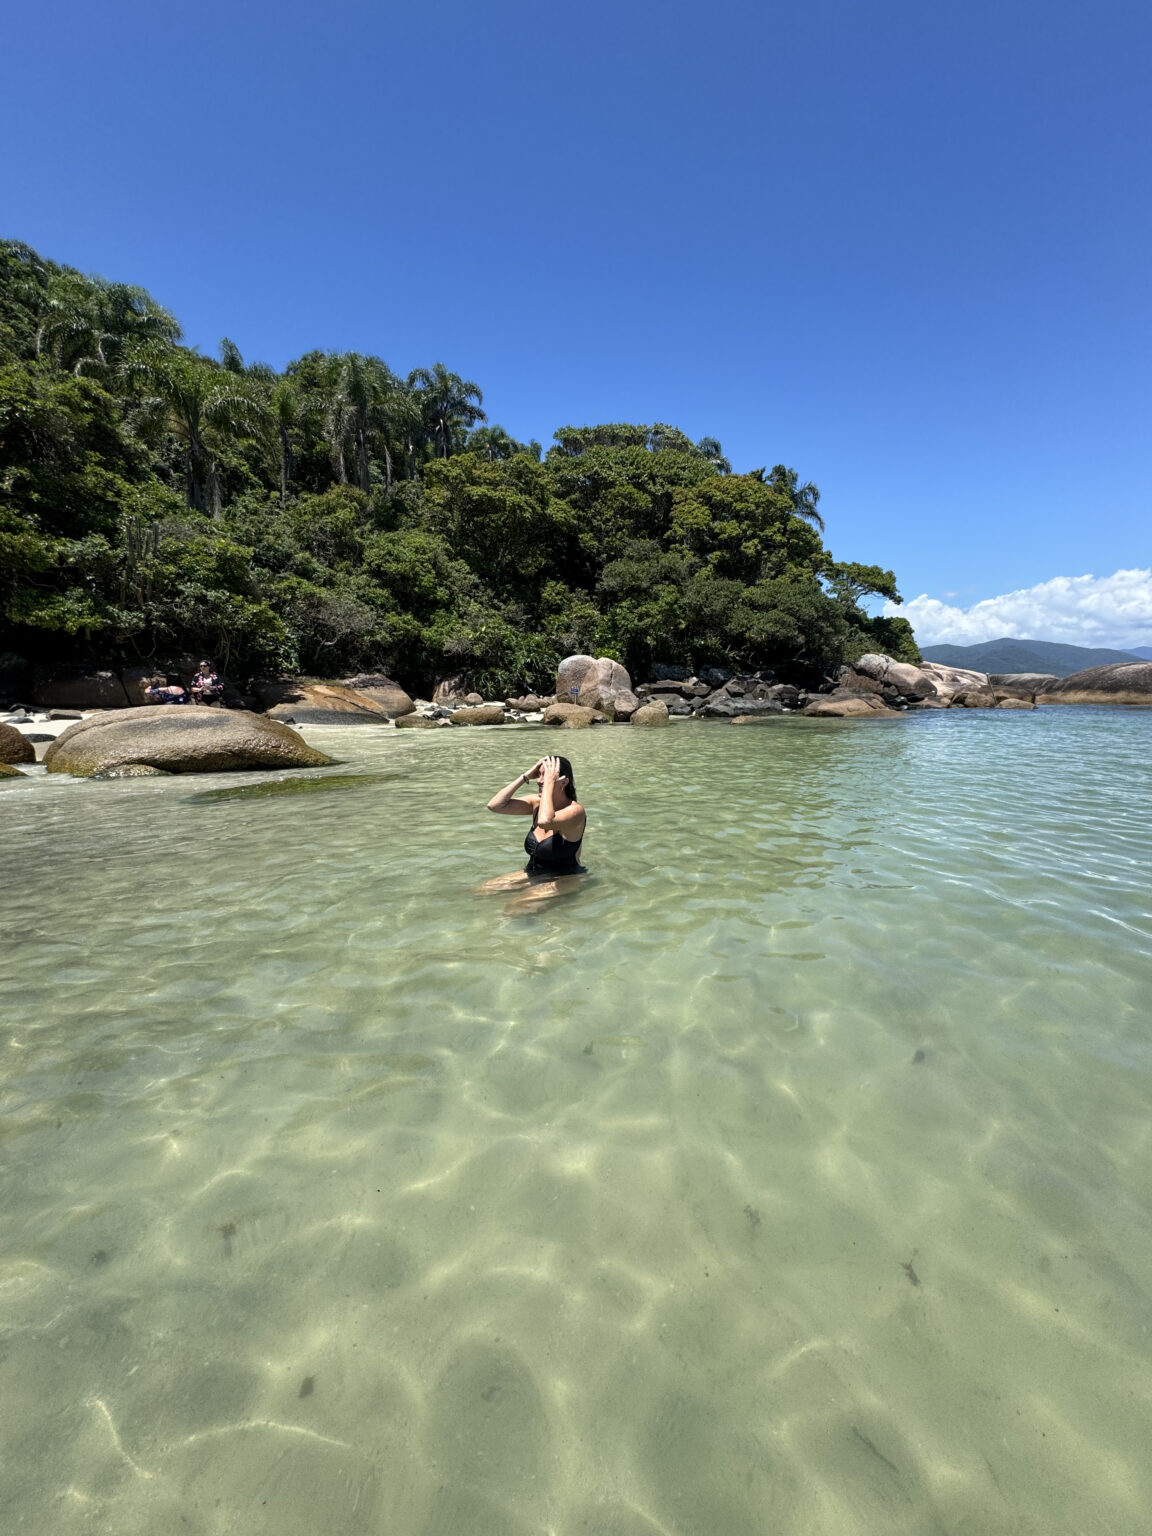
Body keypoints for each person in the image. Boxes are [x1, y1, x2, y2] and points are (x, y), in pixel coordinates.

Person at [479, 754, 587, 908]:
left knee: (516, 908)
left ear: (563, 782)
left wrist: (549, 784)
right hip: (534, 872)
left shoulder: (576, 811)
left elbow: (545, 822)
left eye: (546, 775)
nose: (540, 780)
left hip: (564, 878)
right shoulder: (536, 803)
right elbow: (495, 805)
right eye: (539, 774)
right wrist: (526, 776)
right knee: (483, 891)